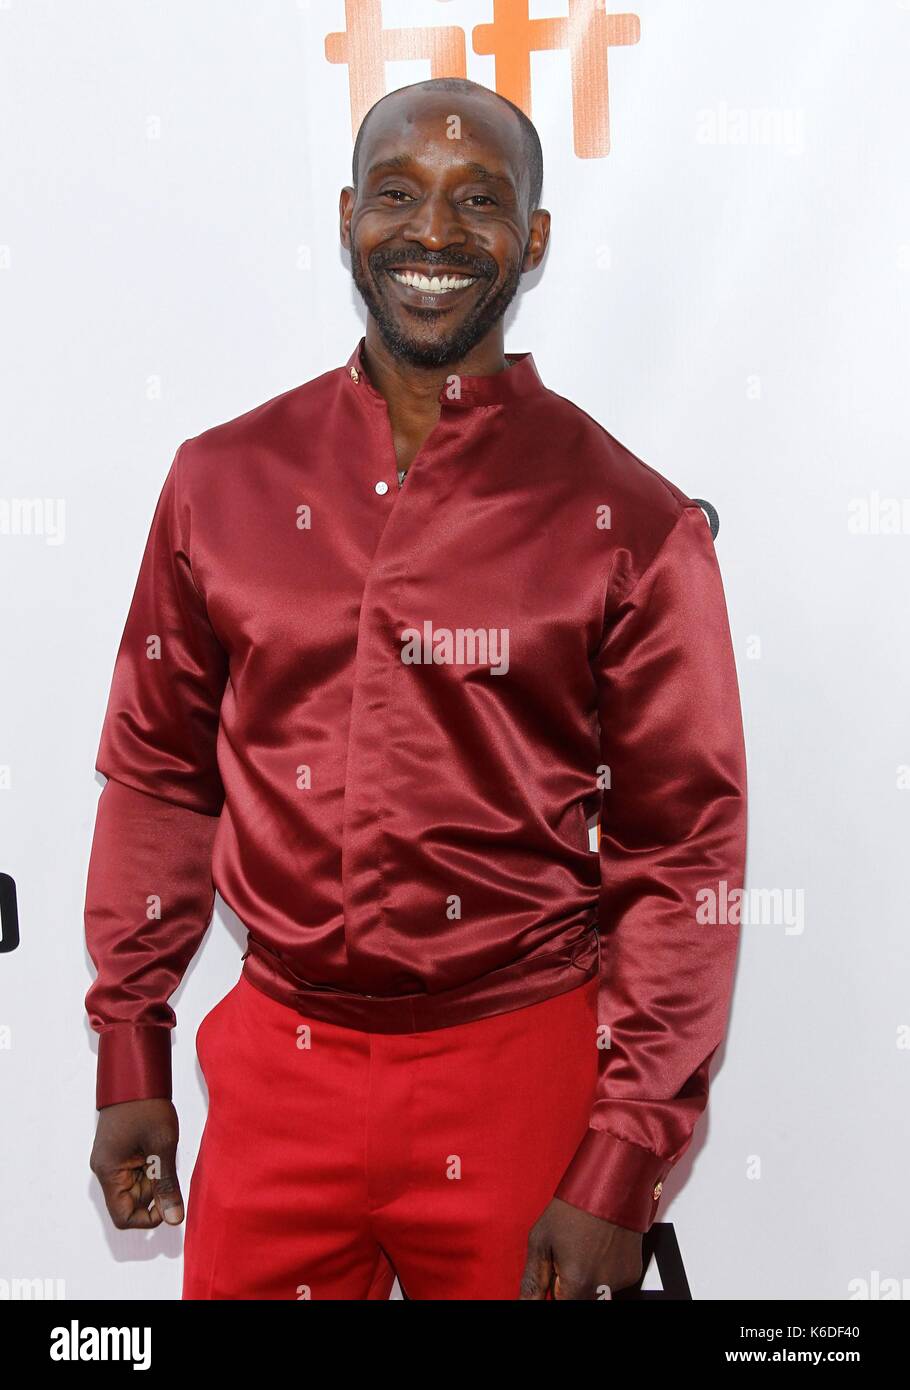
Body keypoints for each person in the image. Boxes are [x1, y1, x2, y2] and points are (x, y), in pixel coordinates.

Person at [85, 76, 747, 1301]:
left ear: (533, 240)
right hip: (275, 1071)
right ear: (347, 217)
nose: (432, 234)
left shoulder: (635, 523)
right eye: (397, 194)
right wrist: (132, 1048)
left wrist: (621, 1160)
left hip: (521, 1078)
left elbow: (683, 862)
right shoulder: (218, 481)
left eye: (479, 201)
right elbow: (159, 778)